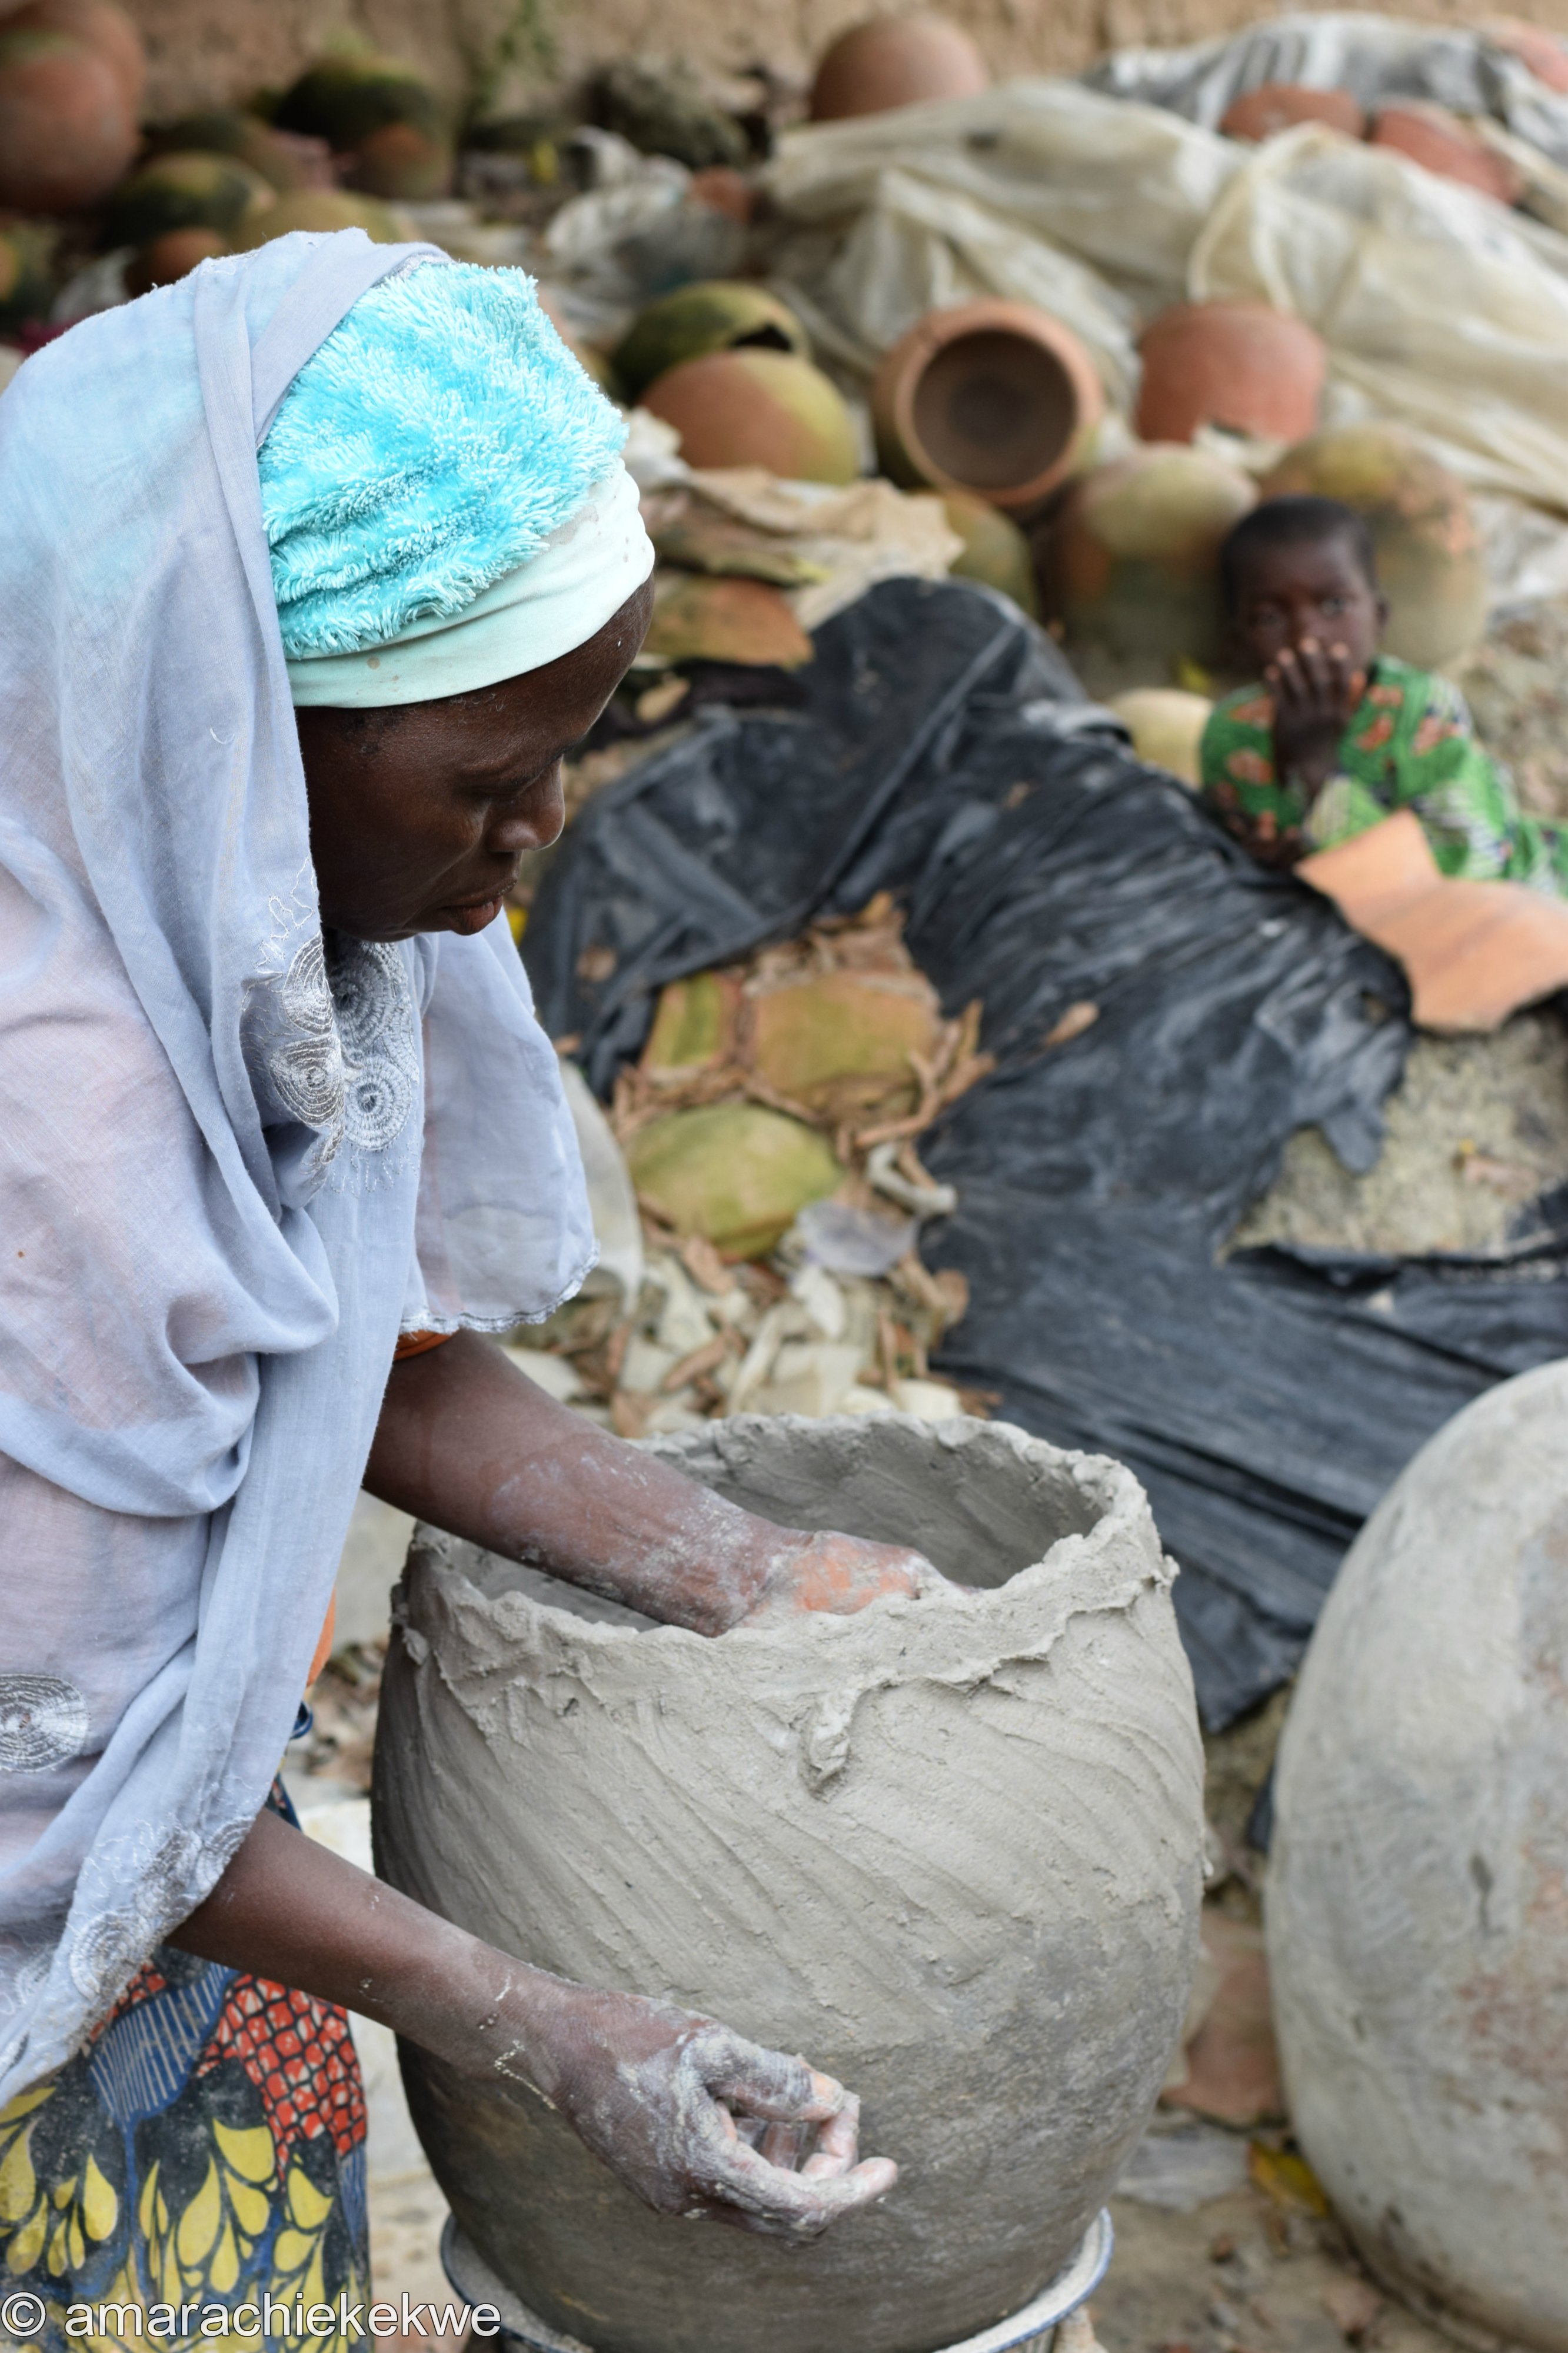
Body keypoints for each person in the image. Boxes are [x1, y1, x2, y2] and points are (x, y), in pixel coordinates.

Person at [0, 233, 938, 2347]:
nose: (530, 842)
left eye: (569, 757)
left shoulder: (256, 884)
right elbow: (49, 1809)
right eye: (489, 778)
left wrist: (739, 1563)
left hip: (187, 1873)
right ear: (238, 703)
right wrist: (541, 2023)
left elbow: (363, 1338)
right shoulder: (54, 1149)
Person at [1199, 495, 1568, 888]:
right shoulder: (1231, 732)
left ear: (1378, 618)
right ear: (1238, 641)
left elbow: (1465, 872)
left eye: (1334, 605)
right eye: (1269, 617)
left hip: (1514, 893)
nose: (1306, 637)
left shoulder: (1420, 709)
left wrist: (1318, 769)